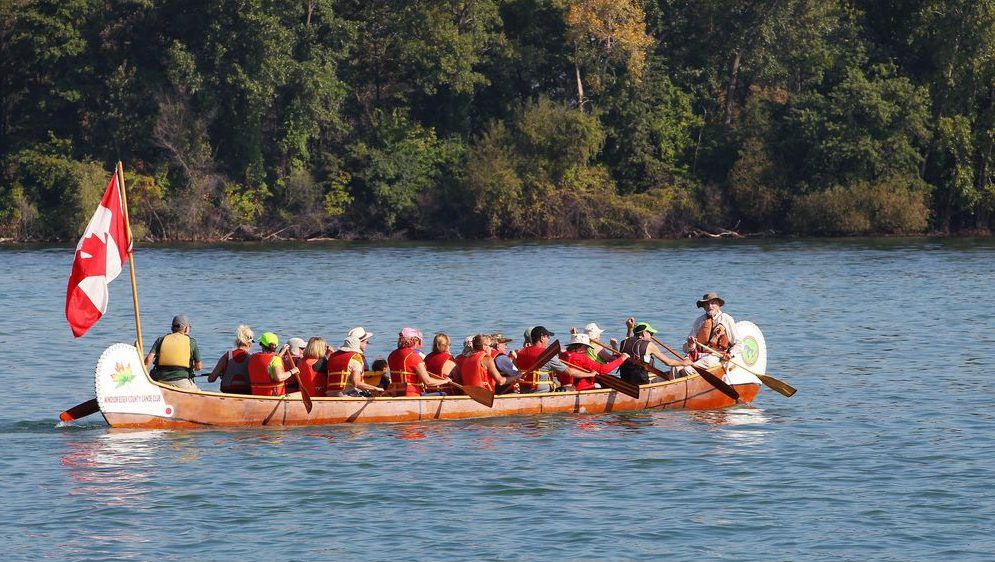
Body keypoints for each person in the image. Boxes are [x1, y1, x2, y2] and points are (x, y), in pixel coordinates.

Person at [677, 292, 742, 378]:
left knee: (687, 369)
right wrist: (690, 344)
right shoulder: (699, 321)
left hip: (715, 357)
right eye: (707, 304)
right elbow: (686, 349)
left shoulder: (726, 319)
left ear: (718, 305)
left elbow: (739, 343)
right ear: (703, 306)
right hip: (697, 355)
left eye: (713, 303)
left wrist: (730, 354)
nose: (710, 306)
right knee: (676, 368)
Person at [514, 326, 586, 393]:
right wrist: (589, 374)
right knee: (572, 388)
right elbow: (570, 372)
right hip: (542, 392)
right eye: (548, 337)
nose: (549, 339)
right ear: (542, 338)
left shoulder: (520, 353)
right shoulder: (547, 355)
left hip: (524, 391)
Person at [617, 321, 691, 384]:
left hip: (625, 381)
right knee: (674, 375)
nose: (651, 337)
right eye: (651, 334)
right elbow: (668, 362)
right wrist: (683, 363)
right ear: (644, 333)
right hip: (641, 382)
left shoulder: (624, 343)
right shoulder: (649, 345)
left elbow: (629, 339)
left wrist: (629, 329)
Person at [388, 327, 451, 396]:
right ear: (414, 340)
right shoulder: (414, 357)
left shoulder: (392, 355)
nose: (420, 345)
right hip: (412, 394)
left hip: (395, 393)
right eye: (419, 341)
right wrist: (445, 381)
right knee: (445, 394)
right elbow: (428, 381)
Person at [145, 314, 202, 390]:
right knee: (198, 393)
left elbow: (148, 360)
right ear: (185, 329)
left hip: (159, 380)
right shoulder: (191, 342)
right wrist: (194, 367)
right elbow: (199, 366)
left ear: (172, 327)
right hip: (181, 382)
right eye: (189, 327)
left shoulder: (161, 340)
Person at [557, 333, 628, 391]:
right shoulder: (581, 357)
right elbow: (602, 370)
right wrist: (622, 359)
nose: (587, 349)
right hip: (582, 388)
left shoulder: (563, 355)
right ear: (581, 346)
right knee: (603, 384)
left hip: (564, 384)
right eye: (586, 347)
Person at [326, 327, 381, 397]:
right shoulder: (356, 358)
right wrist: (375, 388)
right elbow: (356, 383)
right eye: (366, 342)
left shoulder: (333, 356)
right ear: (359, 342)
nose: (367, 345)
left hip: (329, 395)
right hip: (346, 395)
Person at [247, 332, 300, 396]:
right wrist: (293, 371)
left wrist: (283, 351)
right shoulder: (275, 360)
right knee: (300, 394)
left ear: (261, 345)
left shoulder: (253, 357)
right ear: (276, 346)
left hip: (256, 394)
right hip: (274, 396)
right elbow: (279, 377)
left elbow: (269, 362)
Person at [207, 324, 253, 394]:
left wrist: (223, 373)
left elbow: (211, 379)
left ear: (237, 341)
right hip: (245, 393)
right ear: (249, 344)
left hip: (228, 392)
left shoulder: (227, 356)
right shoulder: (251, 359)